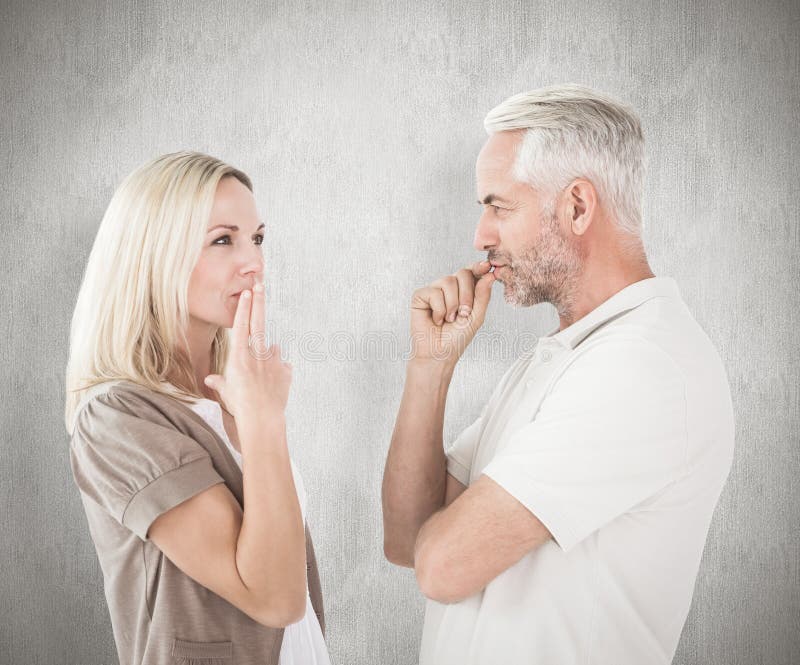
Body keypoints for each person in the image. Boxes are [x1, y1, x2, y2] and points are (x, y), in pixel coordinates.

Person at [382, 84, 735, 665]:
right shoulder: (561, 361)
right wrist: (430, 367)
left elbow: (441, 567)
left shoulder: (643, 368)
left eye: (498, 206)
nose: (480, 237)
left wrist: (440, 542)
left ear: (577, 206)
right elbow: (407, 540)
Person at [65, 152, 330, 665]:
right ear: (153, 254)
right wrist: (264, 420)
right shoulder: (117, 419)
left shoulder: (232, 396)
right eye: (222, 240)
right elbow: (276, 598)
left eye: (257, 238)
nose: (253, 261)